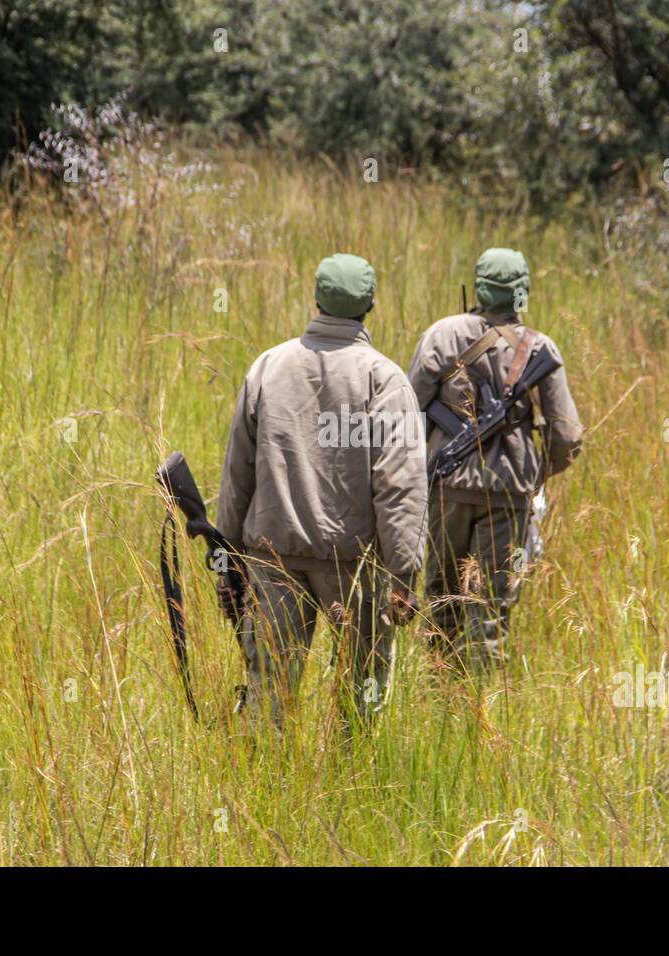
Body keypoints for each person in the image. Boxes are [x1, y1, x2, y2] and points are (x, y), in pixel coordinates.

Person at [217, 253, 428, 727]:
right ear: (370, 305)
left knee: (268, 691)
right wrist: (403, 575)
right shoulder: (385, 380)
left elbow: (237, 475)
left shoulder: (268, 367)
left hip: (273, 560)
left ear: (316, 299)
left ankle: (260, 789)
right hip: (354, 568)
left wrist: (227, 555)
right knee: (363, 693)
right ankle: (354, 782)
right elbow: (401, 489)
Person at [407, 248, 583, 677]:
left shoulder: (442, 335)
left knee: (441, 598)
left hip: (446, 490)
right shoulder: (541, 347)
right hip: (508, 496)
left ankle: (441, 697)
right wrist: (535, 476)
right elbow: (567, 437)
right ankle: (482, 708)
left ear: (478, 288)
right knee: (491, 608)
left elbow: (407, 408)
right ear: (522, 293)